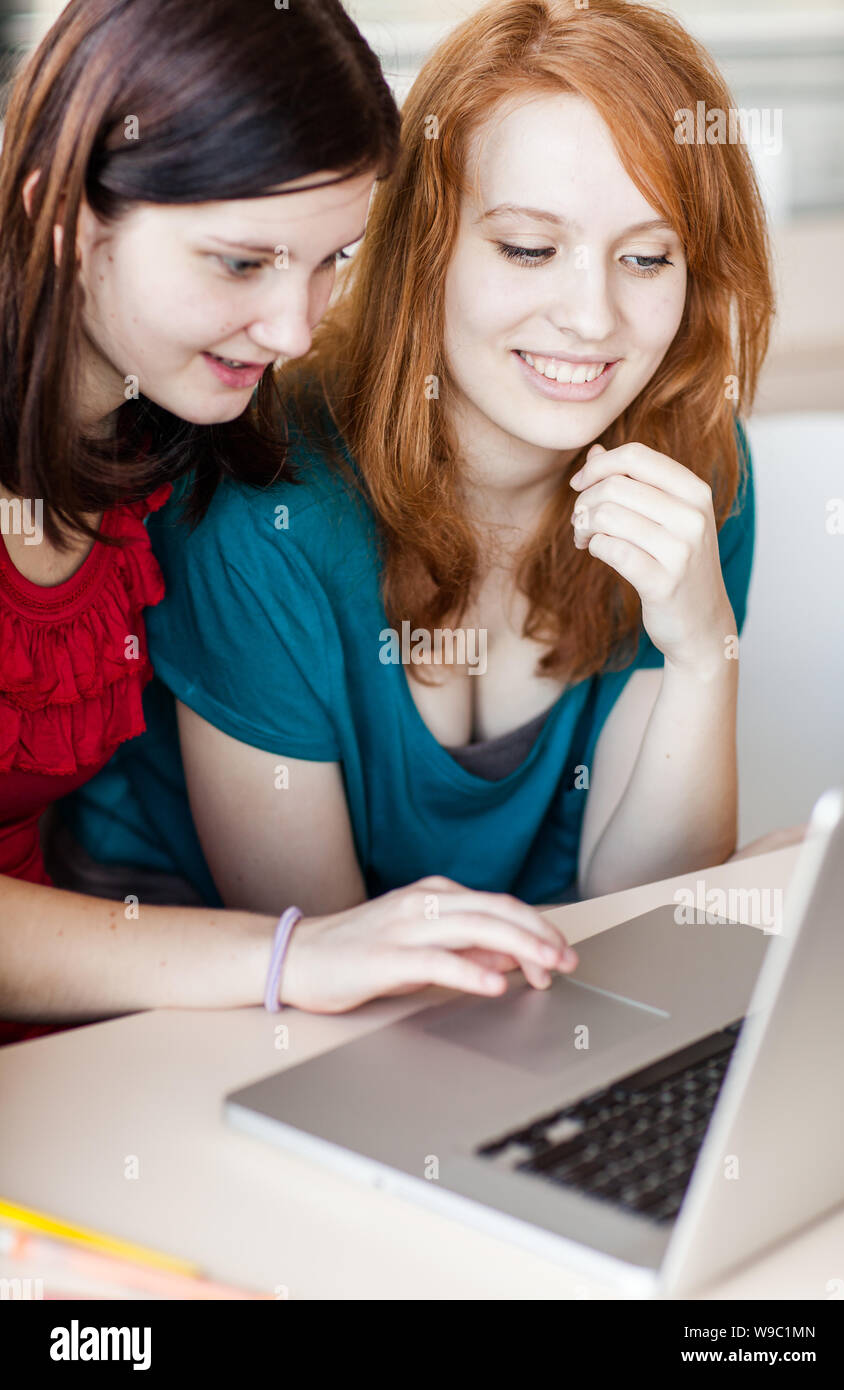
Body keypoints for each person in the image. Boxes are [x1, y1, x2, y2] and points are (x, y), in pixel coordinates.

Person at [58, 0, 785, 978]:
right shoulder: (262, 494)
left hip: (511, 1011)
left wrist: (702, 651)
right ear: (422, 249)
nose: (590, 316)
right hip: (235, 1020)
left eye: (646, 257)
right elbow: (328, 963)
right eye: (527, 248)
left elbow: (643, 924)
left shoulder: (690, 466)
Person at [0, 0, 576, 1047]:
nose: (294, 328)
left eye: (331, 260)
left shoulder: (158, 446)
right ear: (63, 218)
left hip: (76, 1038)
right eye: (240, 262)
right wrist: (291, 954)